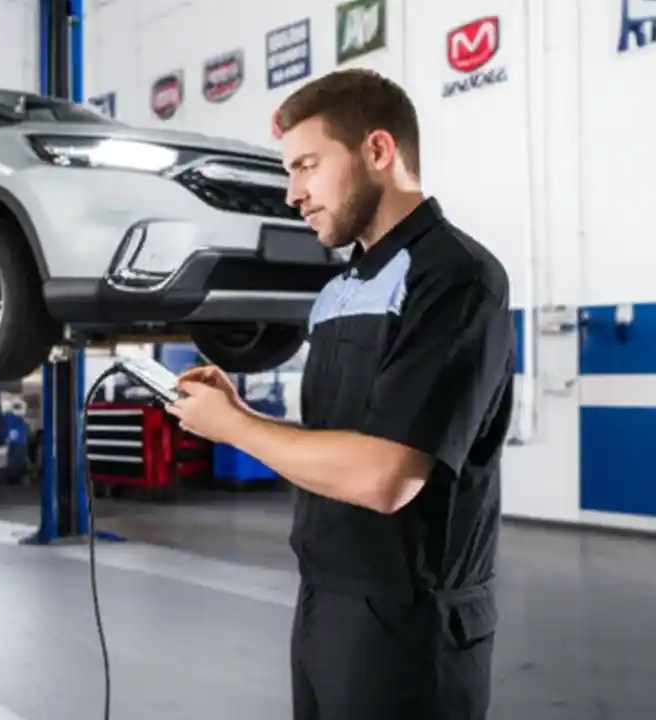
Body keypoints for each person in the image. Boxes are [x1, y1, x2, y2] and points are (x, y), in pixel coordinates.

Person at [168, 68, 514, 719]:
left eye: (307, 167)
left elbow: (387, 476)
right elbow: (341, 438)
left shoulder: (456, 278)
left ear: (378, 151)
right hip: (323, 603)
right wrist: (240, 413)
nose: (293, 194)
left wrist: (234, 431)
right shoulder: (339, 291)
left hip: (413, 626)